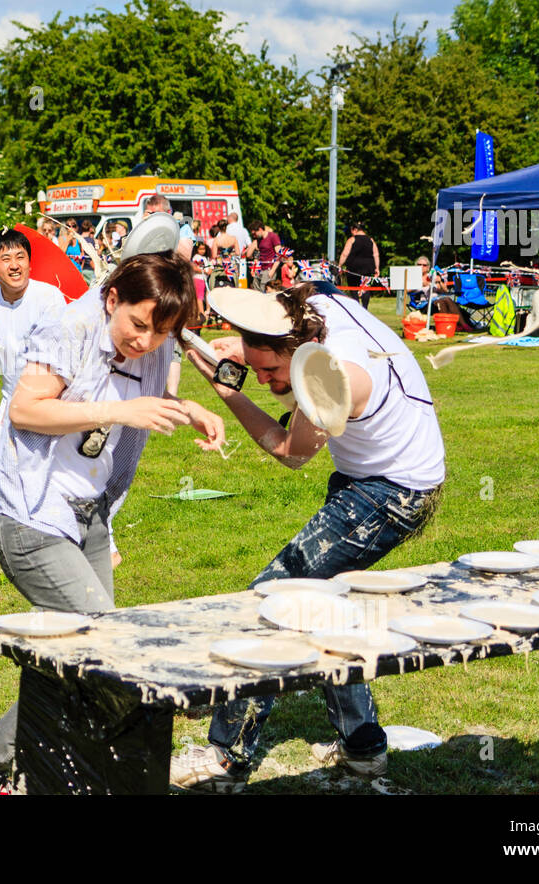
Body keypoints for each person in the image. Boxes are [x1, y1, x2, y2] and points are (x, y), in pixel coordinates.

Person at [0, 250, 226, 794]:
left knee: (75, 663)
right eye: (137, 325)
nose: (144, 341)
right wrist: (118, 414)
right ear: (111, 299)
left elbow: (139, 393)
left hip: (90, 515)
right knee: (107, 652)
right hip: (34, 515)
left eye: (159, 332)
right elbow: (26, 410)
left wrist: (189, 408)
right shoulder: (68, 328)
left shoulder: (153, 342)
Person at [170, 283, 445, 792]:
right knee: (325, 610)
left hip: (389, 493)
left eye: (271, 372)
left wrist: (227, 389)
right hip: (375, 477)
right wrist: (242, 349)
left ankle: (226, 759)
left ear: (298, 354)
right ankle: (364, 750)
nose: (264, 380)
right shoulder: (309, 311)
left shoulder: (335, 378)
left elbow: (290, 450)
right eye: (258, 370)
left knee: (271, 601)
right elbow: (290, 298)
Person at [0, 228, 67, 508]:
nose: (15, 265)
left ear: (29, 261)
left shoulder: (50, 298)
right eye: (6, 258)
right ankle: (7, 539)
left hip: (53, 399)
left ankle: (60, 535)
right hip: (11, 399)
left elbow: (62, 353)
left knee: (51, 475)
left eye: (21, 257)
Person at [339, 222, 381, 310]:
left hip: (353, 268)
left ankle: (357, 308)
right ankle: (365, 308)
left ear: (354, 229)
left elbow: (345, 254)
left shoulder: (352, 240)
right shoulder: (371, 240)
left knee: (354, 288)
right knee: (366, 287)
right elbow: (376, 254)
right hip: (368, 268)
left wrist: (340, 265)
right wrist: (377, 268)